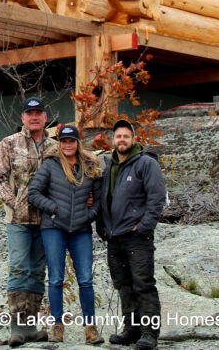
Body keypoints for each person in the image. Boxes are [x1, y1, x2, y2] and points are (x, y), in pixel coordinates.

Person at [28, 124, 104, 345]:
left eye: (72, 141)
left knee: (86, 279)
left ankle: (91, 329)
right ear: (59, 143)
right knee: (56, 279)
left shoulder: (90, 166)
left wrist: (89, 215)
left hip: (81, 230)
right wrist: (54, 208)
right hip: (54, 228)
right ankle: (57, 327)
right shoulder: (50, 165)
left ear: (78, 143)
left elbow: (98, 200)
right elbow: (34, 193)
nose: (68, 145)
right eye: (64, 141)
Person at [0, 96, 58, 346]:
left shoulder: (56, 146)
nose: (34, 117)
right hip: (18, 220)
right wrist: (15, 202)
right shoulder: (9, 143)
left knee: (38, 272)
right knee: (19, 268)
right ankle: (17, 328)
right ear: (23, 118)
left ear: (44, 117)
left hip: (47, 221)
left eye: (38, 113)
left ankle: (32, 327)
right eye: (29, 113)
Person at [97, 118, 166, 349]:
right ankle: (131, 329)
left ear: (133, 139)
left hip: (137, 236)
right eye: (118, 136)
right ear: (113, 140)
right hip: (114, 238)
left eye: (126, 136)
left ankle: (149, 333)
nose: (122, 139)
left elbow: (157, 198)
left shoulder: (146, 163)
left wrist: (144, 226)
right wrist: (102, 228)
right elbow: (102, 199)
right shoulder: (109, 166)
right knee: (123, 285)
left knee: (143, 283)